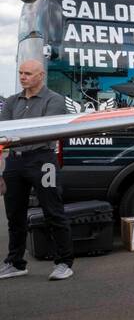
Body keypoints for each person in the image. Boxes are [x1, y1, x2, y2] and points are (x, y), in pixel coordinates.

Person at [0, 59, 75, 281]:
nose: (23, 77)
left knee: (53, 210)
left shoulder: (54, 100)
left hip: (43, 160)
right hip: (15, 160)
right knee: (14, 215)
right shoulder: (12, 101)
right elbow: (3, 133)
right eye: (21, 73)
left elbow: (45, 130)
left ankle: (64, 262)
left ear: (41, 75)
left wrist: (16, 135)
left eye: (28, 73)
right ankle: (15, 263)